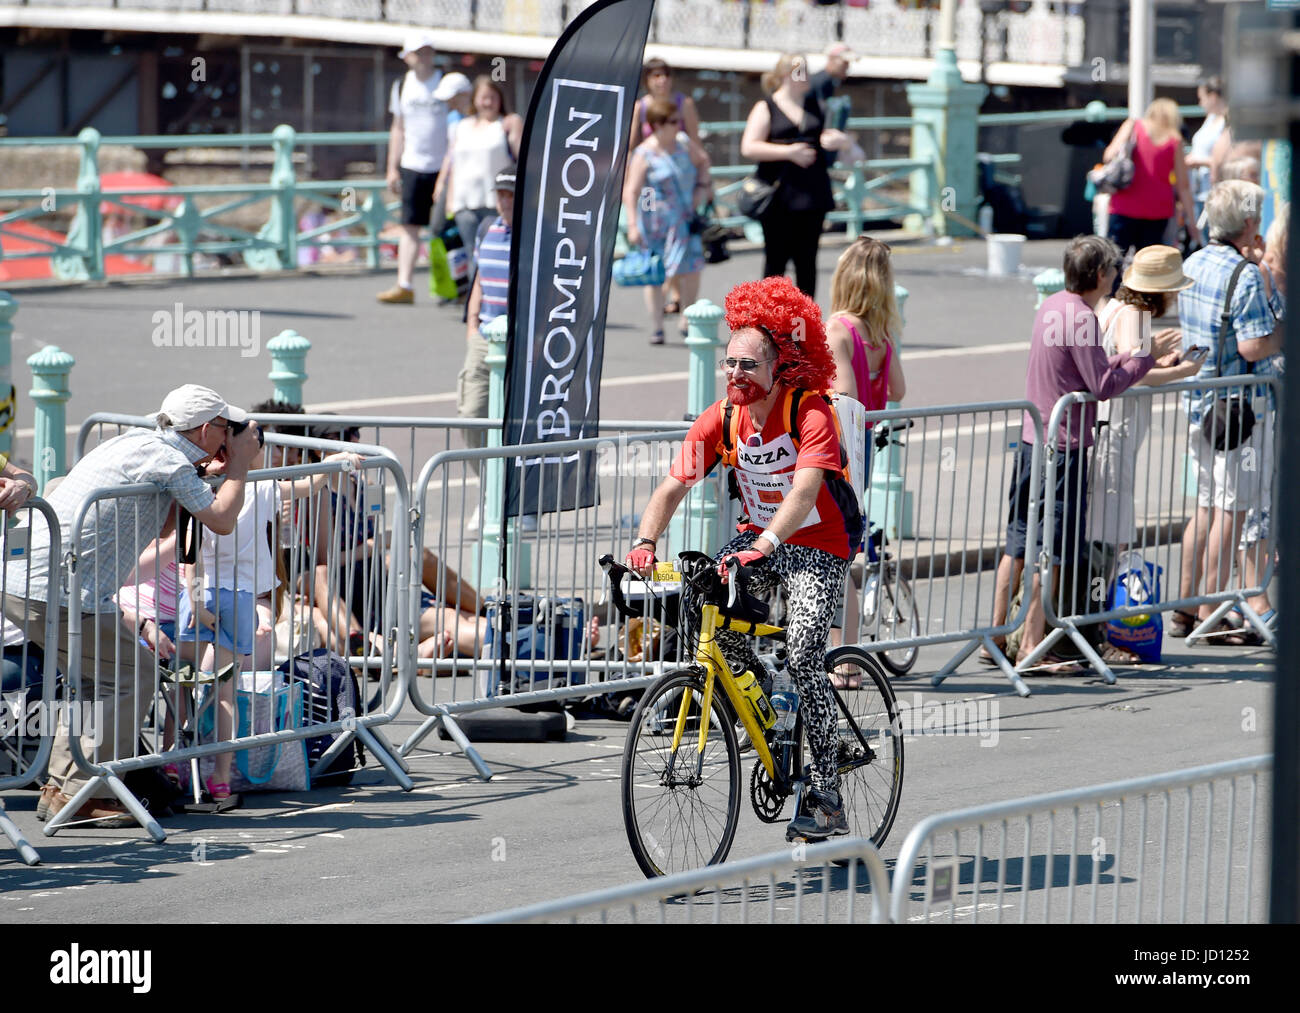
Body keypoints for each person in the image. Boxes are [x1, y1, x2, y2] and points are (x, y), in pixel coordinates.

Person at [625, 276, 859, 841]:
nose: (735, 375)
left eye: (748, 366)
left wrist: (765, 544)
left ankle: (825, 787)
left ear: (782, 369)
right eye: (729, 364)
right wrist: (645, 543)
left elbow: (804, 493)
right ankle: (767, 711)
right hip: (757, 537)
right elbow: (671, 486)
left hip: (818, 543)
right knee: (702, 608)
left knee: (805, 652)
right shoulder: (721, 418)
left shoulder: (811, 413)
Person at [4, 384, 260, 828]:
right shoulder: (167, 459)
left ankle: (64, 788)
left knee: (95, 680)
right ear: (204, 429)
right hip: (59, 589)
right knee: (134, 676)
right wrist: (237, 466)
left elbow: (163, 520)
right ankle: (87, 791)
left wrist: (208, 468)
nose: (231, 436)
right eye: (226, 428)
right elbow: (219, 521)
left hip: (34, 583)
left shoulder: (142, 444)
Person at [988, 236, 1180, 673]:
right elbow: (1102, 387)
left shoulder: (1053, 305)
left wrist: (1123, 360)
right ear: (1099, 274)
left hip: (1032, 439)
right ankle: (1031, 648)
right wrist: (1146, 358)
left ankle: (995, 635)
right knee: (1053, 551)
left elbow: (1085, 371)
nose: (1116, 278)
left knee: (1018, 541)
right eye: (1113, 271)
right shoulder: (1084, 318)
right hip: (1065, 446)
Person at [1173, 181, 1284, 645]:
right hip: (1240, 409)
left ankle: (1184, 603)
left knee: (1204, 506)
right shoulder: (1246, 274)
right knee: (1232, 511)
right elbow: (1253, 344)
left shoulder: (1194, 262)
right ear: (1250, 223)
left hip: (1200, 402)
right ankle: (1214, 611)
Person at [1084, 245, 1201, 664]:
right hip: (1116, 430)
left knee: (1098, 533)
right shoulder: (1135, 317)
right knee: (1110, 535)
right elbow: (1139, 375)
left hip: (1101, 428)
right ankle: (1103, 632)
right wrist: (1182, 370)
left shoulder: (1111, 308)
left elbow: (1128, 365)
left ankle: (1096, 628)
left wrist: (1160, 360)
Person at [825, 236, 906, 657]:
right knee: (839, 549)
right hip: (865, 453)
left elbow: (844, 397)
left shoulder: (837, 329)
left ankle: (844, 656)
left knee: (833, 554)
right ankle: (840, 654)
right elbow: (899, 389)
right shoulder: (880, 333)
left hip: (835, 454)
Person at [741, 53, 849, 298]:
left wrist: (836, 142)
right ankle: (771, 323)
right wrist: (788, 152)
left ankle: (804, 326)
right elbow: (749, 146)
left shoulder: (816, 106)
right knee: (775, 262)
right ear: (785, 76)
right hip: (779, 196)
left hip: (812, 195)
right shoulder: (766, 106)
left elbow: (823, 139)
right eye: (801, 71)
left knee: (807, 261)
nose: (808, 76)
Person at [622, 97, 711, 345]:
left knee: (691, 269)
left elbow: (703, 161)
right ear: (658, 125)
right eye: (673, 122)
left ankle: (686, 317)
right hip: (656, 224)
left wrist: (701, 188)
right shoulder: (644, 153)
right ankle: (657, 327)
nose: (677, 126)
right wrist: (632, 224)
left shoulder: (683, 144)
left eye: (678, 121)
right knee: (655, 273)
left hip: (685, 218)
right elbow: (631, 191)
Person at [377, 33, 450, 305]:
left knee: (442, 227)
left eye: (428, 51)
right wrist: (391, 168)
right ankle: (404, 283)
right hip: (412, 163)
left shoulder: (444, 82)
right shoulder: (401, 85)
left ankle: (448, 285)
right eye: (418, 52)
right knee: (409, 225)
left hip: (442, 164)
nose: (424, 57)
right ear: (407, 57)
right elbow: (398, 128)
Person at [436, 75, 522, 279]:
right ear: (475, 99)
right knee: (473, 254)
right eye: (484, 97)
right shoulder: (462, 126)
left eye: (493, 97)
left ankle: (500, 298)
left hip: (496, 201)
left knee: (496, 253)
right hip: (465, 201)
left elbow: (521, 158)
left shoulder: (506, 124)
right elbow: (454, 162)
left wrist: (516, 128)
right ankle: (475, 306)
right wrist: (448, 196)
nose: (488, 102)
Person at [460, 169, 515, 484]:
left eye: (511, 194)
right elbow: (478, 279)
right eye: (501, 194)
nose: (505, 201)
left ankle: (516, 499)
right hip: (484, 336)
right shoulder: (486, 228)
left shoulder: (537, 235)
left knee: (518, 420)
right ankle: (490, 489)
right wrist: (471, 324)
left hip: (518, 341)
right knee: (471, 415)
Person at [1103, 98, 1202, 260]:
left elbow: (1108, 155)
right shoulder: (1174, 141)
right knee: (1149, 269)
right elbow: (1183, 185)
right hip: (1157, 211)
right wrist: (1192, 222)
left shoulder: (1133, 126)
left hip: (1124, 206)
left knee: (1113, 262)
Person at [1186, 77, 1228, 228]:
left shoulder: (1226, 123)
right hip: (1199, 191)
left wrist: (1200, 162)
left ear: (1213, 97)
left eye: (1202, 98)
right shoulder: (1211, 119)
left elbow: (1230, 159)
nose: (1200, 103)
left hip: (1214, 190)